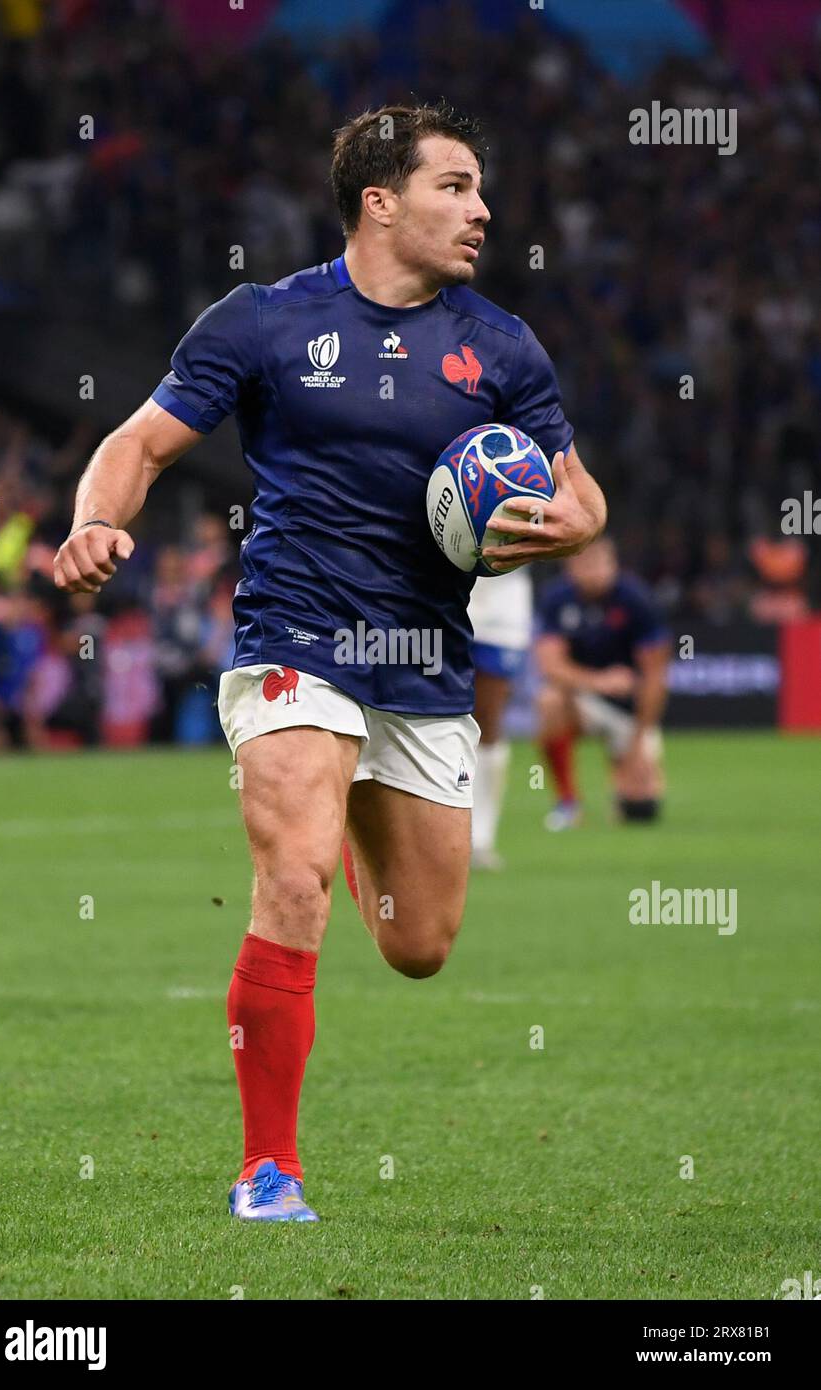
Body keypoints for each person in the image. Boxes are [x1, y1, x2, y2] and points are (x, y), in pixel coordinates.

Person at [53, 101, 606, 1222]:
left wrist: (565, 522)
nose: (481, 209)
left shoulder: (499, 345)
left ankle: (352, 811)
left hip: (422, 660)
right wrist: (96, 521)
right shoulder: (261, 323)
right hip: (295, 638)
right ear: (380, 201)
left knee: (418, 944)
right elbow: (138, 443)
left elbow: (583, 495)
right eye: (454, 186)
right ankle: (270, 1170)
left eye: (479, 188)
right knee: (292, 878)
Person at [536, 537, 669, 829]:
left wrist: (639, 742)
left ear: (614, 564)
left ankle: (626, 778)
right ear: (569, 565)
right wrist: (600, 682)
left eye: (598, 563)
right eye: (583, 563)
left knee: (641, 808)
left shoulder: (637, 599)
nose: (591, 571)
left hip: (630, 710)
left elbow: (655, 676)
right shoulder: (556, 598)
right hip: (584, 702)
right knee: (549, 701)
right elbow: (549, 665)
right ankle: (568, 804)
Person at [468, 566, 532, 869]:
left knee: (488, 722)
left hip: (501, 603)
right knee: (424, 713)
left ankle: (480, 837)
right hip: (439, 590)